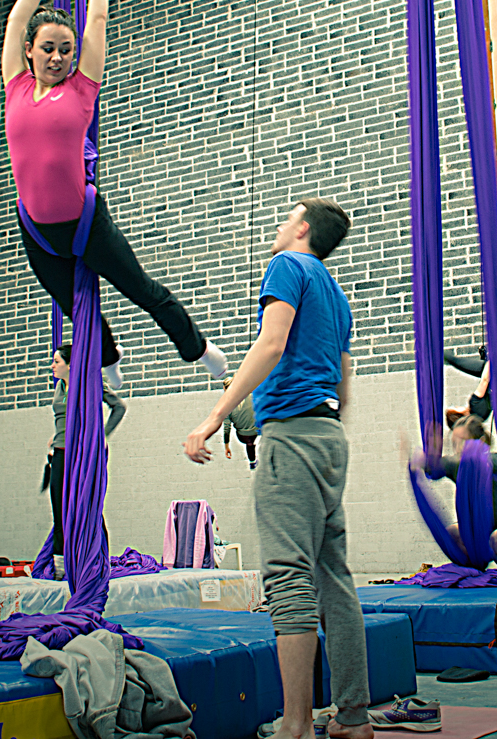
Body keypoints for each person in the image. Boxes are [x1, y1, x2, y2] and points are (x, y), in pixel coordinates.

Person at [183, 199, 371, 739]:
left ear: (303, 228)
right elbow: (343, 378)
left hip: (292, 437)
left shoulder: (289, 266)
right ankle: (352, 719)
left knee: (288, 576)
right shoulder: (335, 295)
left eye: (287, 217)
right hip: (329, 437)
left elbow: (272, 341)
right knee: (334, 577)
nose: (279, 225)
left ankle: (295, 725)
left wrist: (215, 417)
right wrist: (330, 438)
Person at [1, 0, 225, 388]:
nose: (58, 57)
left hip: (86, 222)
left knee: (142, 289)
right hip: (35, 226)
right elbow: (16, 20)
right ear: (30, 50)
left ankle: (200, 349)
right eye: (48, 48)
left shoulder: (82, 89)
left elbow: (98, 21)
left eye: (66, 50)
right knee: (74, 306)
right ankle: (108, 355)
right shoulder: (16, 85)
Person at [408, 414, 497, 584]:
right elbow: (437, 470)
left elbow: (465, 462)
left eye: (463, 442)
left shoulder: (495, 461)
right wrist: (424, 460)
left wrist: (435, 462)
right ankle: (474, 571)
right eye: (454, 444)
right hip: (480, 536)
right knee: (451, 533)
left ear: (480, 442)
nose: (458, 449)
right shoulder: (459, 466)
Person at [43, 343, 125, 565]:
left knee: (89, 508)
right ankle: (61, 563)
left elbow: (119, 407)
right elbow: (64, 417)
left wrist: (103, 436)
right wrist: (56, 435)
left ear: (70, 365)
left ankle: (99, 560)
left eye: (56, 362)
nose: (52, 366)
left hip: (84, 454)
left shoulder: (90, 384)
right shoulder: (60, 387)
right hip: (61, 452)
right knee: (60, 509)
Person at [442, 345, 497, 426]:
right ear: (460, 416)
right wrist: (490, 358)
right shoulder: (474, 404)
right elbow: (484, 380)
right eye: (456, 408)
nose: (457, 406)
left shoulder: (480, 419)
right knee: (455, 362)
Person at [220, 375, 259, 470]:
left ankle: (252, 462)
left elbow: (227, 428)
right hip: (256, 429)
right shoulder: (250, 394)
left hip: (242, 435)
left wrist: (226, 446)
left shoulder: (227, 406)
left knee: (248, 442)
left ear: (225, 389)